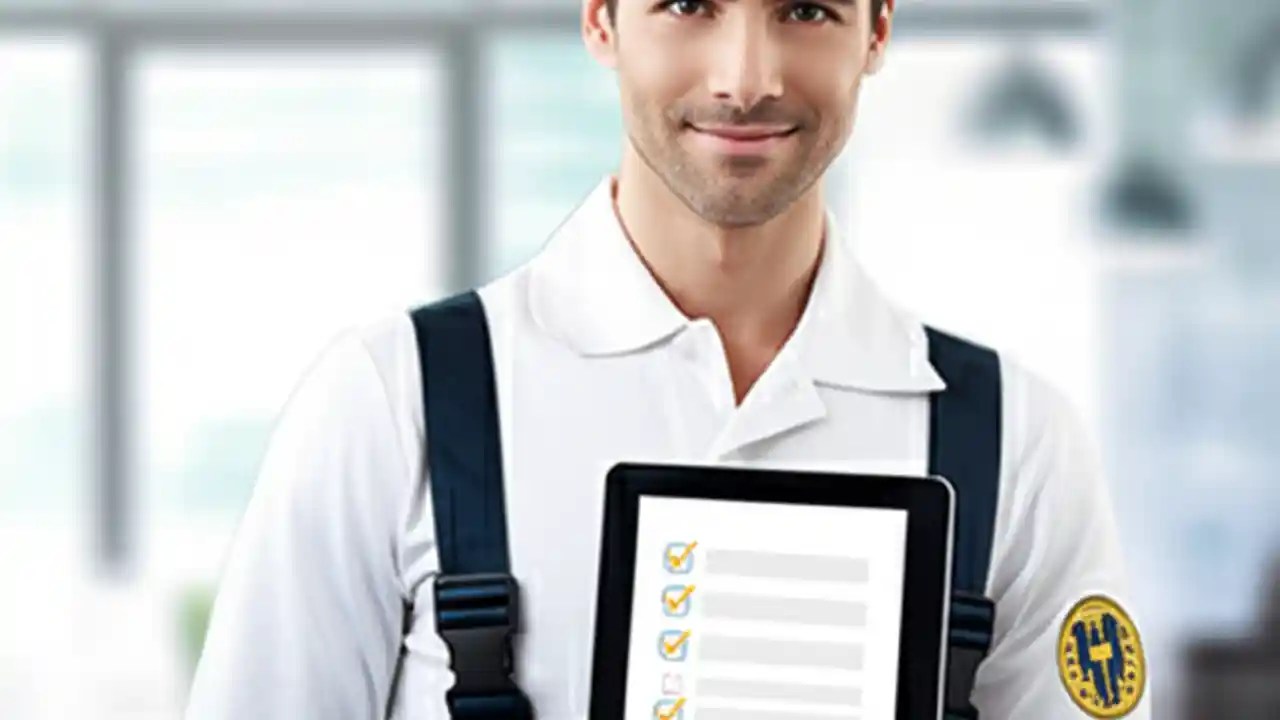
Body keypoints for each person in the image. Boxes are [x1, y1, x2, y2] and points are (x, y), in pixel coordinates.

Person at [186, 0, 1148, 718]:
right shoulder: (391, 403)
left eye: (805, 10)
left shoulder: (1019, 445)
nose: (746, 75)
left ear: (878, 28)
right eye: (690, 5)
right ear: (601, 19)